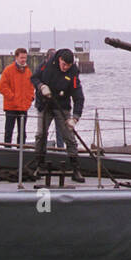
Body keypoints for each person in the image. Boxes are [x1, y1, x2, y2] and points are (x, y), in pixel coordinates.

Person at [29, 48, 86, 182]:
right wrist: (41, 86)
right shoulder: (47, 64)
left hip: (62, 105)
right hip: (45, 104)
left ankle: (75, 168)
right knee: (41, 134)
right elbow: (34, 77)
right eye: (64, 65)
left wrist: (75, 118)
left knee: (69, 137)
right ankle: (39, 165)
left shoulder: (72, 73)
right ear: (59, 60)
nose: (65, 68)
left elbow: (79, 97)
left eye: (68, 66)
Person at [0, 47, 34, 144]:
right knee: (9, 131)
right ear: (16, 57)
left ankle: (21, 150)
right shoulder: (8, 70)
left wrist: (30, 98)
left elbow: (31, 87)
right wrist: (12, 97)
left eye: (25, 58)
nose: (23, 60)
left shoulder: (28, 71)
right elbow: (2, 87)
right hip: (11, 106)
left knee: (22, 133)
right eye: (22, 58)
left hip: (23, 107)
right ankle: (7, 150)